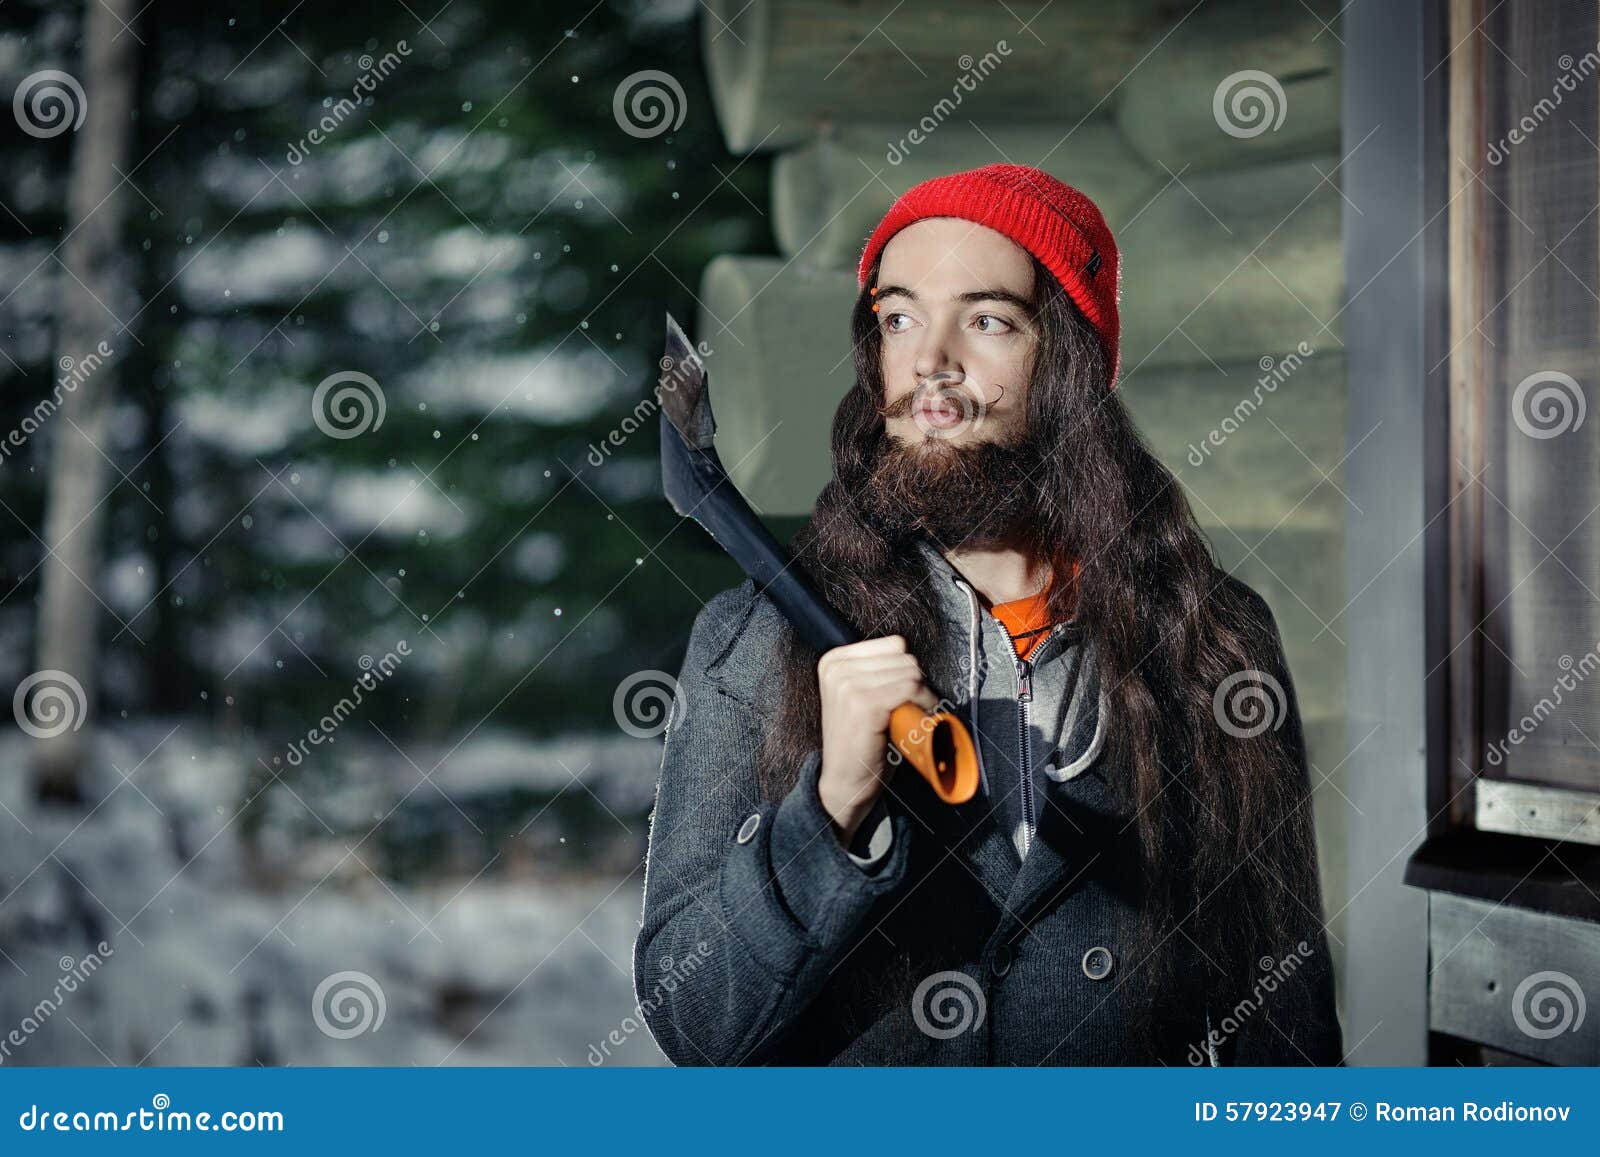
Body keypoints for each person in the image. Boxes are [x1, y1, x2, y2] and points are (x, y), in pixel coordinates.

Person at [632, 163, 1344, 1066]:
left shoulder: (1212, 640)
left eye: (987, 319)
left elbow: (1287, 1021)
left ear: (1070, 363)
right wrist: (830, 810)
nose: (931, 361)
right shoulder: (754, 640)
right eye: (899, 318)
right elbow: (689, 1022)